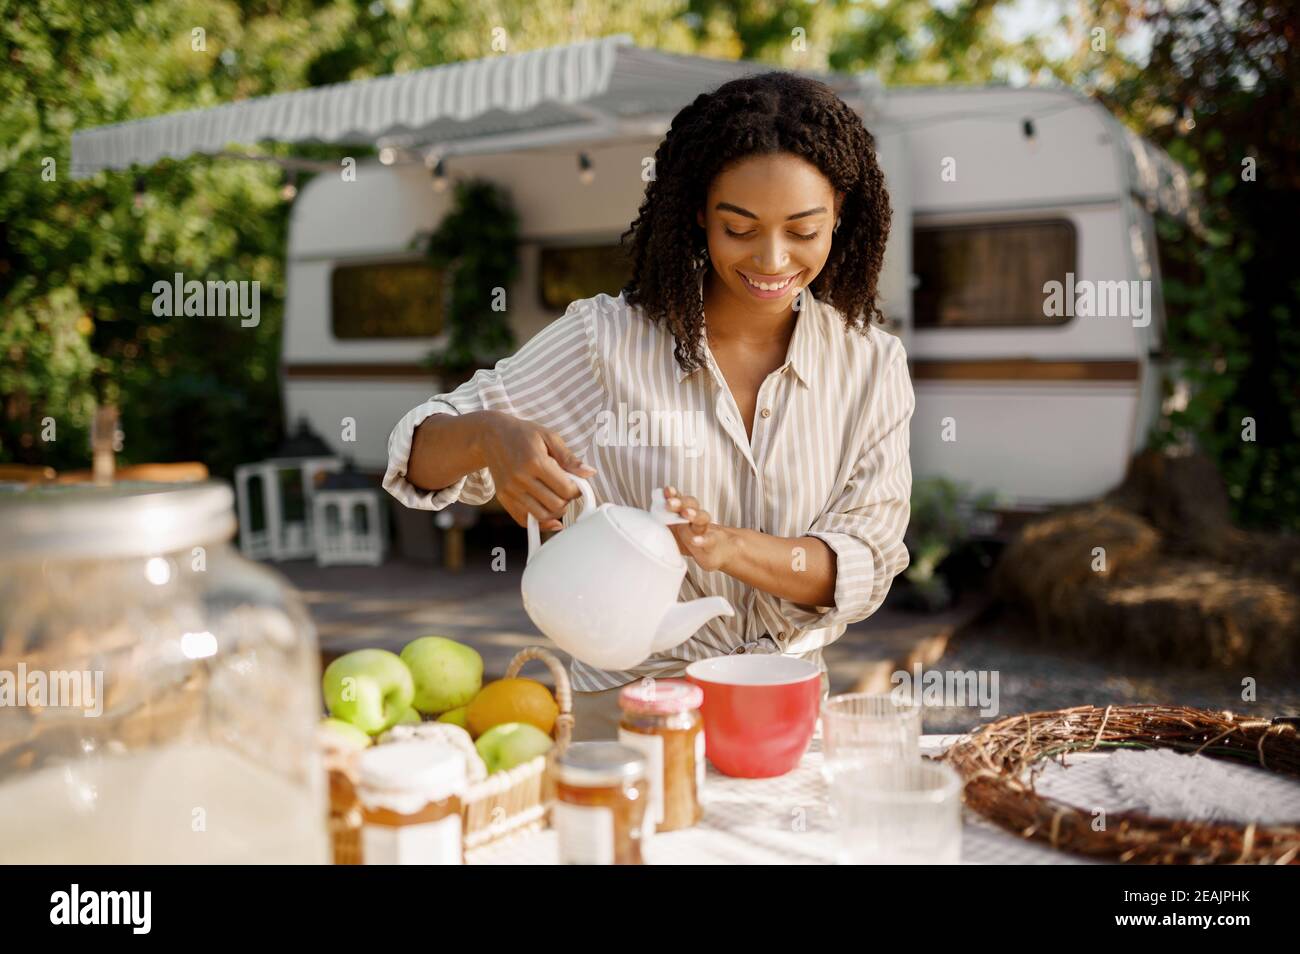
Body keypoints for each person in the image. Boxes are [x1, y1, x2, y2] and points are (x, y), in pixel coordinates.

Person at [383, 71, 914, 741]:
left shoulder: (870, 366)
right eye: (739, 228)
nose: (772, 259)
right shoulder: (608, 340)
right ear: (699, 213)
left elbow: (864, 565)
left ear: (841, 211)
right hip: (627, 715)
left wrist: (729, 548)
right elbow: (417, 459)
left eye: (803, 230)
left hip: (783, 710)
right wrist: (488, 436)